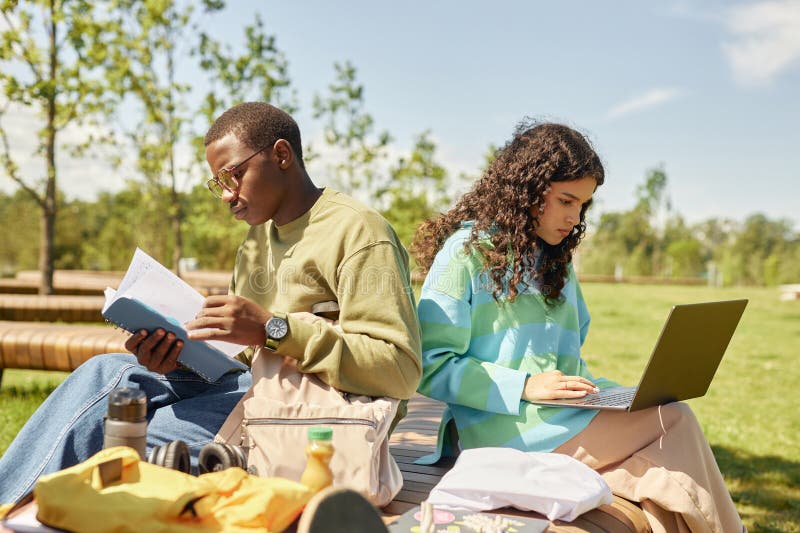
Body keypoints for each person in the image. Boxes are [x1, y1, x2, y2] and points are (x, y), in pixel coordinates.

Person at [0, 102, 422, 505]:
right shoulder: (257, 240)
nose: (226, 195)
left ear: (280, 155)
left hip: (324, 408)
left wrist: (274, 329)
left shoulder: (360, 232)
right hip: (257, 387)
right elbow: (244, 356)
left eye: (233, 175)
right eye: (218, 183)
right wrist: (181, 357)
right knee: (109, 375)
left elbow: (400, 371)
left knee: (150, 434)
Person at [411, 121, 744, 533]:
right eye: (566, 200)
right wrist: (526, 385)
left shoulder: (557, 262)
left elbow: (568, 356)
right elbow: (429, 364)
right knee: (673, 420)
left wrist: (607, 397)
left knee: (662, 482)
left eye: (583, 206)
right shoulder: (464, 256)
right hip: (505, 432)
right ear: (526, 190)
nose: (574, 217)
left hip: (565, 417)